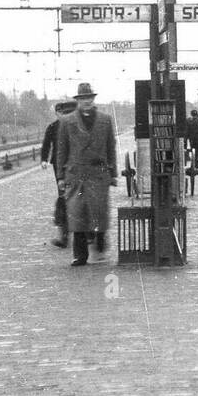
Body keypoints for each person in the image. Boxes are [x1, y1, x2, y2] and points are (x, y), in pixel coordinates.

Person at [55, 83, 118, 267]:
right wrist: (60, 176)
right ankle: (79, 255)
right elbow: (61, 151)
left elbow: (110, 147)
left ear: (94, 99)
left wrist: (113, 172)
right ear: (78, 101)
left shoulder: (105, 120)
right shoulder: (67, 122)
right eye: (83, 99)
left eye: (89, 98)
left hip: (98, 174)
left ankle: (100, 245)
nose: (87, 102)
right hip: (76, 175)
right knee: (77, 215)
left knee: (99, 212)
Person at [41, 101, 76, 248]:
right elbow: (46, 144)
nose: (63, 116)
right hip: (60, 167)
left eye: (65, 113)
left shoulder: (76, 127)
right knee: (63, 198)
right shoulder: (53, 127)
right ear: (57, 113)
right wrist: (44, 159)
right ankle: (64, 236)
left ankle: (87, 234)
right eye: (60, 113)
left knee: (78, 197)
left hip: (76, 166)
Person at [186, 109, 198, 173]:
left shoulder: (189, 122)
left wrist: (187, 138)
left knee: (193, 151)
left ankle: (195, 161)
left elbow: (187, 132)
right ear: (197, 115)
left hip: (192, 140)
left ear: (192, 115)